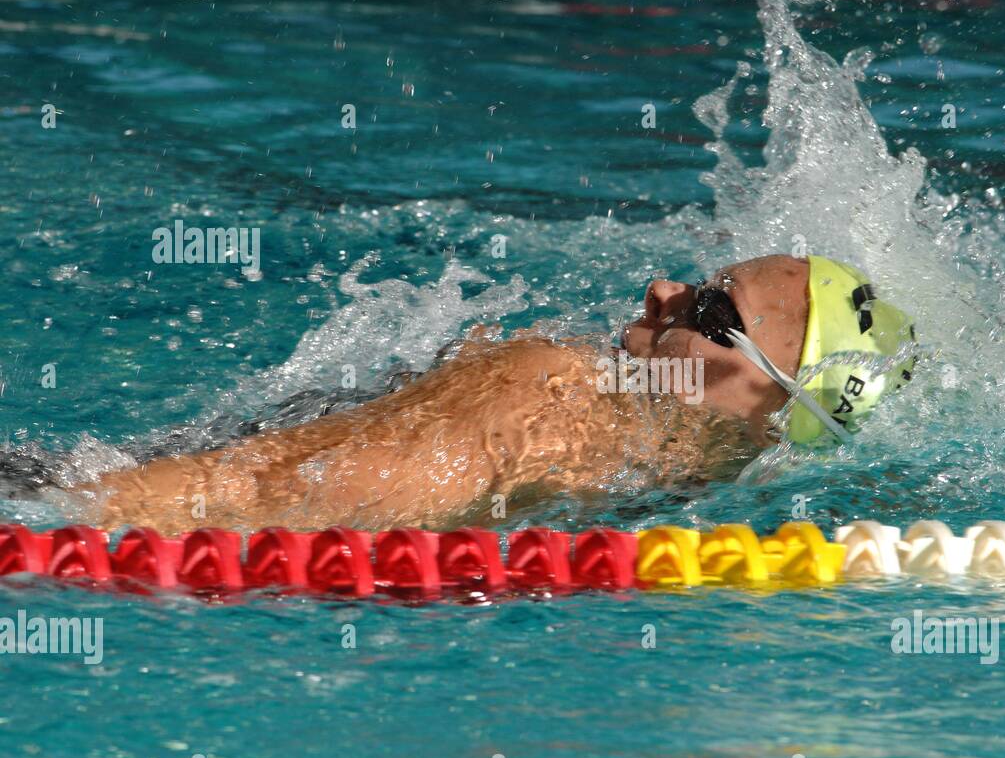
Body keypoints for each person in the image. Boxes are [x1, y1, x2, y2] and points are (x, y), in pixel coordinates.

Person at [72, 254, 916, 535]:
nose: (662, 290)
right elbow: (244, 493)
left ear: (778, 403)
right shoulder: (545, 391)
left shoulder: (679, 485)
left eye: (707, 306)